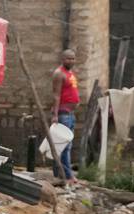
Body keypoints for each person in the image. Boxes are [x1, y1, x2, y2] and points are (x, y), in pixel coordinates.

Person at [51, 48, 81, 183]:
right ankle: (68, 176)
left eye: (73, 58)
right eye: (68, 58)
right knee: (64, 145)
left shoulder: (70, 73)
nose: (71, 60)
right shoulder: (59, 74)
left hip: (71, 114)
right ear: (62, 60)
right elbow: (56, 95)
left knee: (64, 145)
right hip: (63, 114)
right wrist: (55, 115)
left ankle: (59, 173)